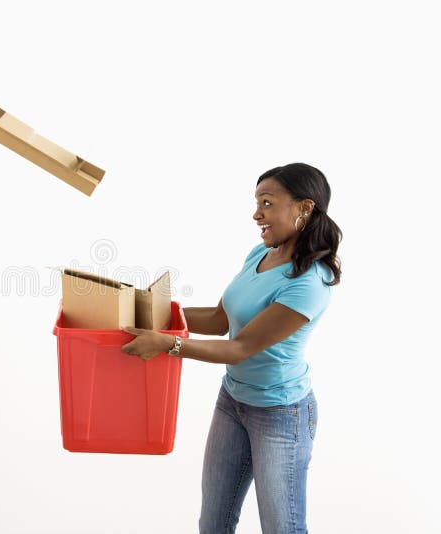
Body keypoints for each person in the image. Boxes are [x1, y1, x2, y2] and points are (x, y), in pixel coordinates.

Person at [121, 163, 342, 534]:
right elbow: (221, 318)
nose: (257, 214)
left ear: (304, 208)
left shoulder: (310, 283)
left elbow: (241, 347)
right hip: (233, 401)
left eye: (267, 203)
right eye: (257, 203)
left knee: (282, 528)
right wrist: (152, 310)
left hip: (281, 413)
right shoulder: (259, 253)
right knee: (214, 522)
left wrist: (167, 343)